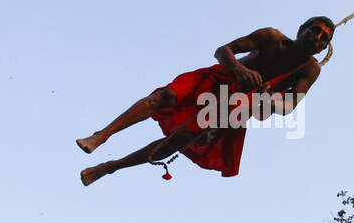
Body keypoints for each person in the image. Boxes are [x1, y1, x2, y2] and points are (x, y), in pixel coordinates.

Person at [77, 17, 334, 186]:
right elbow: (223, 50)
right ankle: (102, 135)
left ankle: (109, 167)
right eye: (315, 31)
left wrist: (269, 99)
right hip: (218, 78)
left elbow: (290, 106)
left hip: (235, 107)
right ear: (301, 29)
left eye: (324, 38)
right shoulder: (270, 37)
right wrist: (239, 69)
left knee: (175, 142)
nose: (318, 38)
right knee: (165, 97)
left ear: (323, 49)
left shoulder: (310, 69)